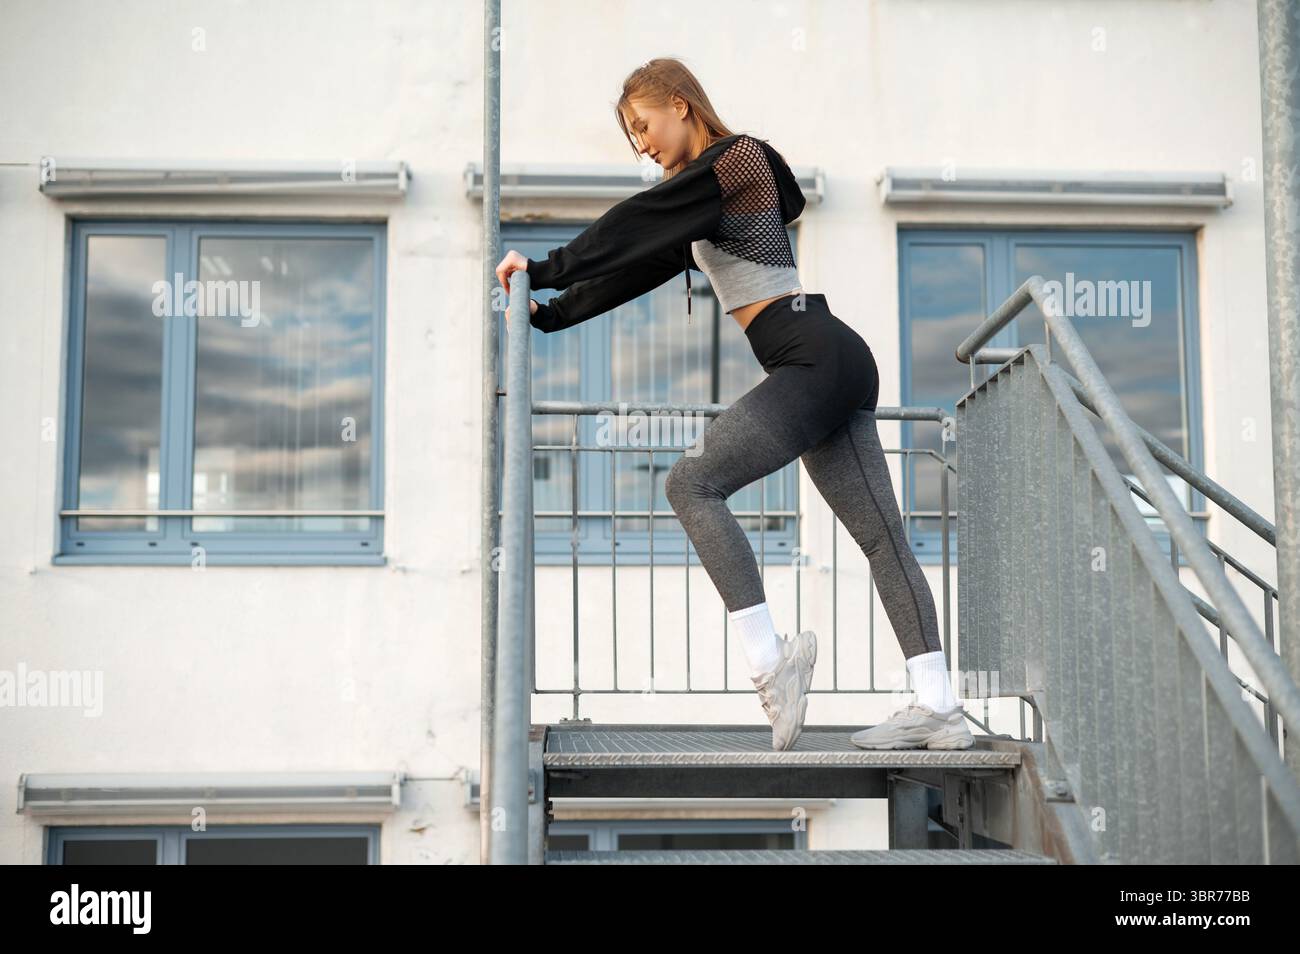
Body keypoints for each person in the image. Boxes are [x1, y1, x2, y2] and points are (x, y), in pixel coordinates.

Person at [496, 57, 972, 753]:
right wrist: (548, 312)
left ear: (681, 105)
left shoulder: (736, 159)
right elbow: (633, 264)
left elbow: (632, 222)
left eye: (644, 125)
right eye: (632, 136)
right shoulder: (705, 201)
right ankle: (940, 707)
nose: (642, 144)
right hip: (826, 364)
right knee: (882, 540)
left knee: (691, 482)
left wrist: (542, 264)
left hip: (814, 356)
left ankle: (771, 664)